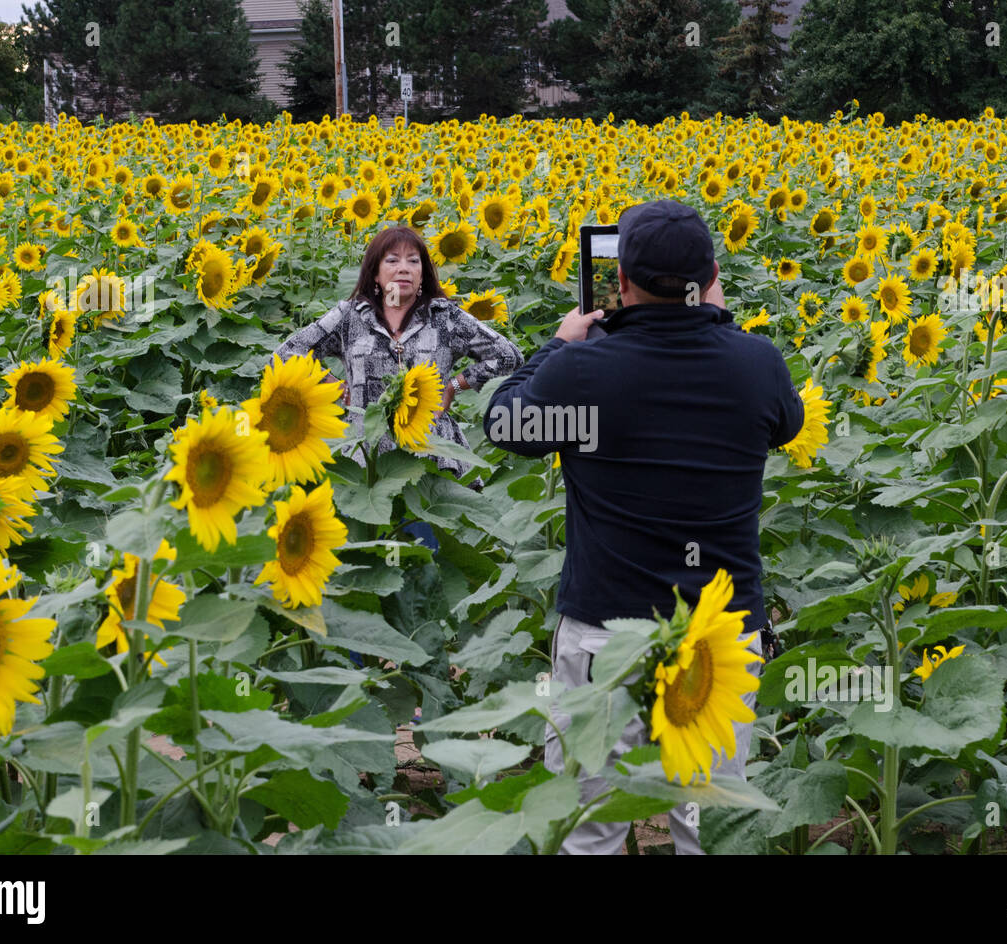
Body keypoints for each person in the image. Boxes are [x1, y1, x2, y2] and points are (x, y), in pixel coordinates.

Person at [483, 199, 805, 855]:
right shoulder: (756, 365)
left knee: (586, 824)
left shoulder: (583, 373)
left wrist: (561, 342)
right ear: (712, 274)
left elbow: (503, 424)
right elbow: (785, 424)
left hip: (608, 630)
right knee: (709, 823)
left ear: (619, 284)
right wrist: (716, 320)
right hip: (719, 633)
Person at [273, 223, 525, 514]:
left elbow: (508, 356)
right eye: (392, 260)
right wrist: (335, 386)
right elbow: (286, 354)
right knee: (369, 538)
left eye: (413, 260)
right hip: (364, 452)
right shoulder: (350, 316)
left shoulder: (445, 318)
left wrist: (454, 387)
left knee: (429, 544)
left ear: (423, 274)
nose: (403, 268)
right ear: (376, 274)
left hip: (430, 452)